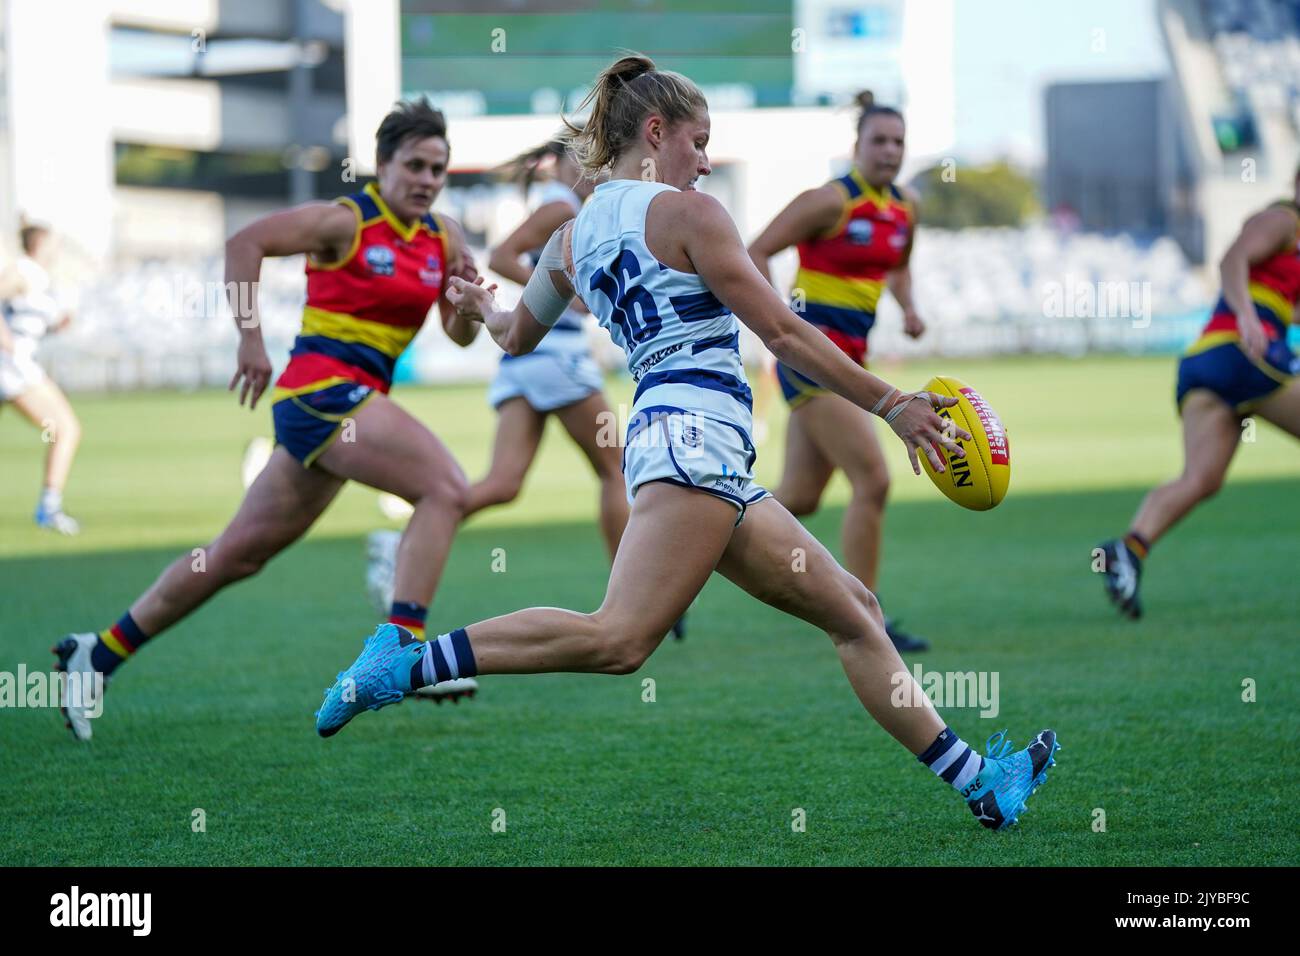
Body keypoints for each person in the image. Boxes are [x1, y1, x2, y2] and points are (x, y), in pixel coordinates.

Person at [315, 55, 1059, 831]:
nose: (705, 161)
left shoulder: (572, 238)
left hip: (692, 448)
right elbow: (780, 329)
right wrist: (892, 402)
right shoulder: (691, 217)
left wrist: (475, 305)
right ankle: (402, 664)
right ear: (656, 131)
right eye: (699, 142)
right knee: (620, 639)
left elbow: (510, 335)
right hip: (694, 442)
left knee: (856, 611)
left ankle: (983, 784)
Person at [52, 98, 481, 740]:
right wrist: (249, 339)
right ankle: (403, 647)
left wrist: (469, 303)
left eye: (438, 169)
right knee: (446, 487)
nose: (426, 180)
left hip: (349, 406)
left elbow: (460, 333)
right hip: (322, 392)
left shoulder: (444, 237)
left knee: (232, 557)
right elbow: (245, 242)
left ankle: (98, 653)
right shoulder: (346, 220)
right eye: (414, 165)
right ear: (383, 166)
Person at [365, 132, 688, 643]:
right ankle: (636, 595)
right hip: (554, 355)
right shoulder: (560, 205)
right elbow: (501, 254)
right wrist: (564, 290)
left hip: (527, 359)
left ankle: (402, 542)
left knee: (503, 483)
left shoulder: (564, 203)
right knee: (615, 467)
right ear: (558, 165)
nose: (596, 170)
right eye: (584, 161)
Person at [747, 91, 930, 653]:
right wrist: (780, 323)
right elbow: (755, 251)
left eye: (898, 142)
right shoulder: (830, 201)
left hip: (854, 362)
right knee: (873, 480)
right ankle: (867, 617)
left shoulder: (905, 209)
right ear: (857, 146)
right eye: (879, 140)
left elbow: (897, 265)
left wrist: (909, 307)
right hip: (813, 362)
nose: (890, 151)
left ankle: (690, 536)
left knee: (798, 497)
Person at [1098, 181, 1300, 617]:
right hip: (1244, 352)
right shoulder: (1285, 219)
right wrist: (1247, 315)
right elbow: (1231, 259)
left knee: (1201, 479)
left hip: (1207, 362)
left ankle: (1128, 550)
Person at [1, 225, 83, 534]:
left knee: (63, 429)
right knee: (64, 429)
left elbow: (26, 322)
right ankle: (48, 509)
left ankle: (49, 507)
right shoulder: (23, 271)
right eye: (55, 244)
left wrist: (56, 326)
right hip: (11, 368)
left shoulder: (41, 280)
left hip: (20, 366)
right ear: (40, 245)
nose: (58, 251)